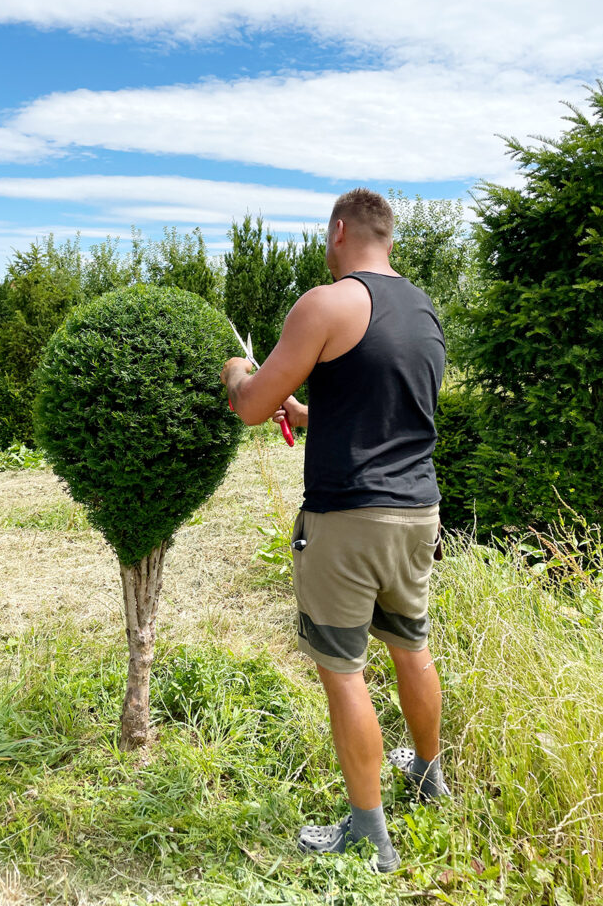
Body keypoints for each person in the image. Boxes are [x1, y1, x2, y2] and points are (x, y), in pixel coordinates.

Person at [220, 188, 449, 874]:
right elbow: (387, 410)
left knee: (344, 671)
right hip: (417, 513)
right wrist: (310, 411)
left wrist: (239, 372)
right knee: (412, 647)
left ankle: (369, 836)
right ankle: (431, 777)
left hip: (347, 518)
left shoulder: (326, 301)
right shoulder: (424, 309)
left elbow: (252, 408)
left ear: (339, 230)